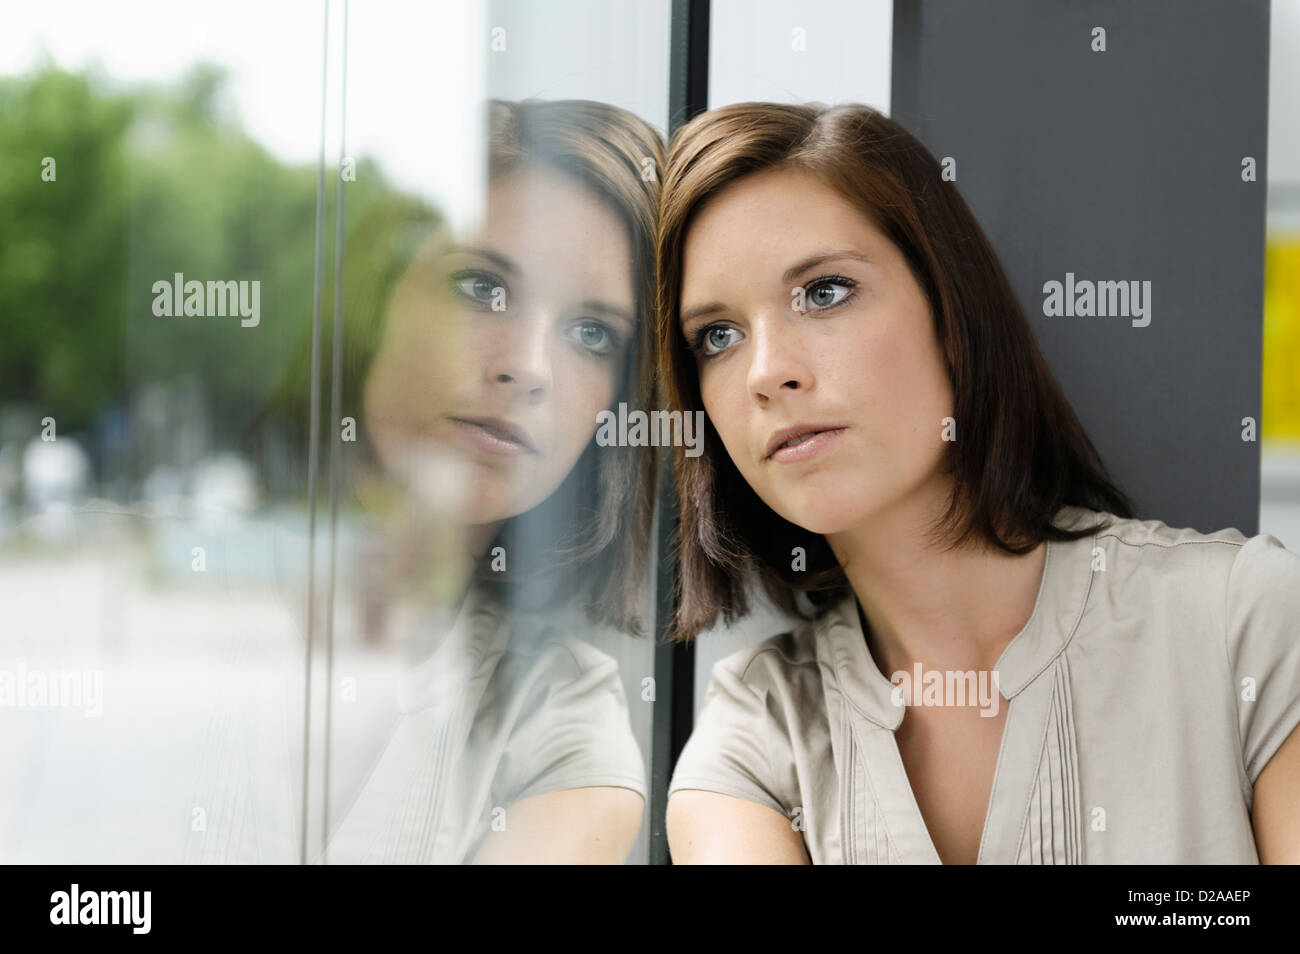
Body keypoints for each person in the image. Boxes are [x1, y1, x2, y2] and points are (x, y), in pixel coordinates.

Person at [655, 102, 1300, 864]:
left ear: (951, 309)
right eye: (718, 337)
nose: (766, 372)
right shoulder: (755, 738)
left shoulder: (1244, 625)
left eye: (824, 292)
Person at [321, 98, 664, 864]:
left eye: (591, 334)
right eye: (482, 288)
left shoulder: (566, 733)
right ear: (376, 300)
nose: (528, 366)